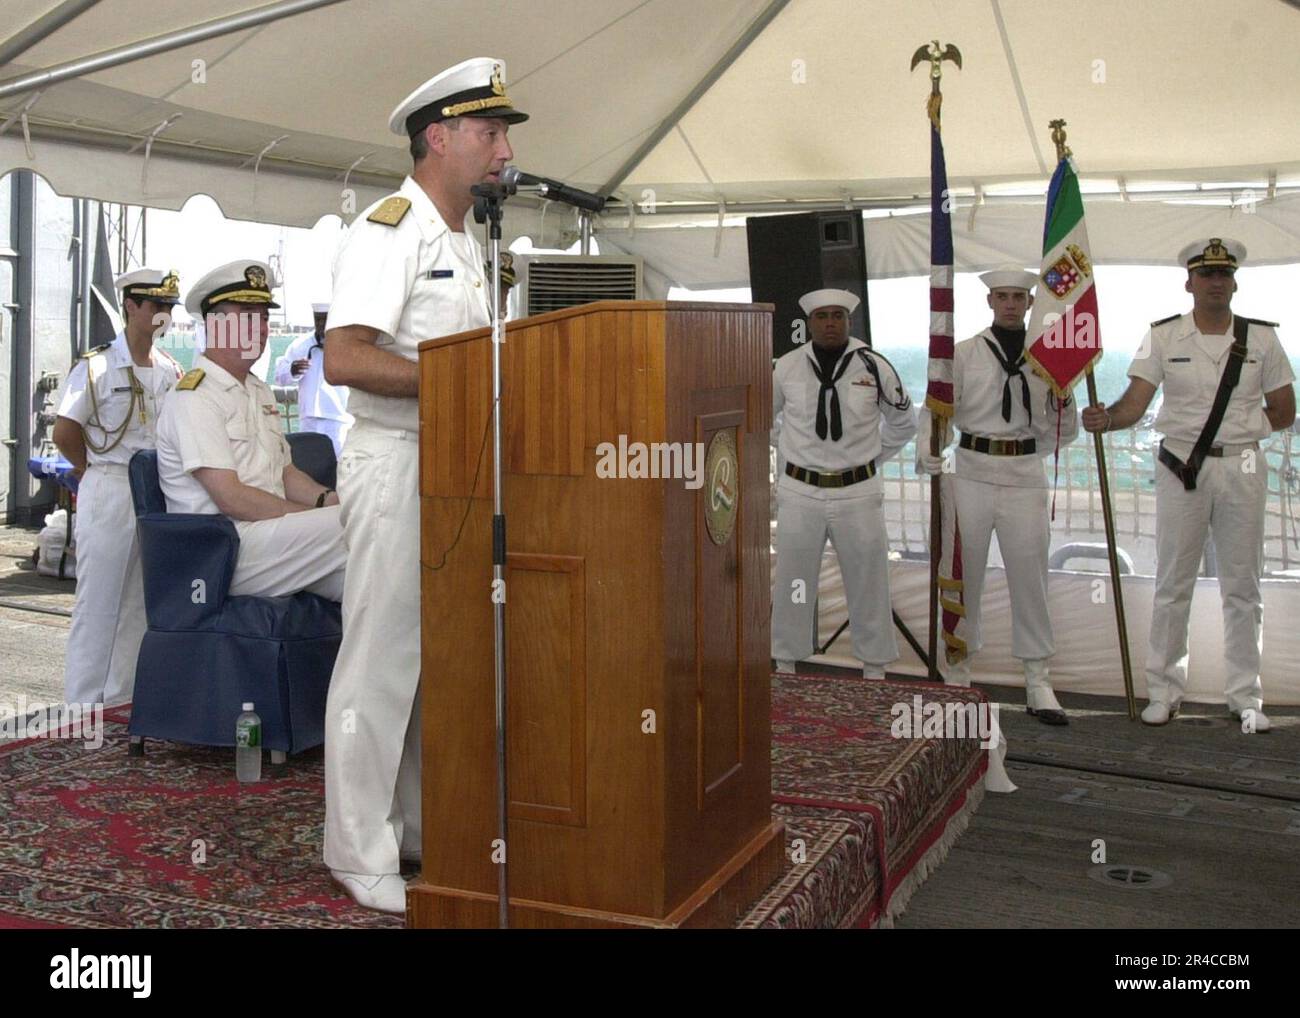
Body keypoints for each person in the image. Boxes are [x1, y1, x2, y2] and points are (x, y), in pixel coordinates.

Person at [321, 57, 526, 913]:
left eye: (504, 134)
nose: (504, 149)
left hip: (454, 473)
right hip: (395, 466)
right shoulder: (390, 228)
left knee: (435, 665)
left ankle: (411, 831)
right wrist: (461, 381)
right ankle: (356, 852)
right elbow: (347, 357)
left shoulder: (468, 243)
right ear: (437, 138)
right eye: (490, 133)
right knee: (379, 663)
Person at [1082, 238, 1295, 731]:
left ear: (1235, 282)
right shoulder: (1161, 337)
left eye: (1224, 274)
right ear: (1190, 282)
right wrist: (1104, 419)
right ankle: (1164, 691)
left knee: (1243, 587)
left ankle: (1245, 697)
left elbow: (1285, 412)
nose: (1216, 282)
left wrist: (1238, 431)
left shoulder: (1262, 340)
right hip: (1180, 468)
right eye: (1207, 275)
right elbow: (1133, 405)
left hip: (1241, 468)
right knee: (1172, 583)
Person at [917, 267, 1080, 724]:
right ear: (989, 302)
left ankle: (1037, 681)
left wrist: (1060, 409)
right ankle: (959, 673)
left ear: (1031, 304)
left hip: (1024, 473)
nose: (1010, 304)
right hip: (971, 470)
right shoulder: (965, 353)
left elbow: (1062, 431)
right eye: (1002, 296)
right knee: (964, 575)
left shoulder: (1048, 359)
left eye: (1018, 297)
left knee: (1031, 578)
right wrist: (928, 451)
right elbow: (938, 410)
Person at [155, 260, 346, 603]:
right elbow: (230, 497)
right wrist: (322, 518)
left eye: (263, 317)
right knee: (355, 529)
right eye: (246, 315)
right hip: (225, 549)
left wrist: (331, 500)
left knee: (378, 583)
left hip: (271, 541)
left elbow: (286, 474)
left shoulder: (258, 390)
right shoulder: (195, 396)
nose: (259, 328)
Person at [53, 269, 185, 706]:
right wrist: (87, 468)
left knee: (137, 607)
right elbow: (66, 430)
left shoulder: (170, 371)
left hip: (153, 492)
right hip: (109, 485)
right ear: (131, 306)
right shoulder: (97, 366)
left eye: (168, 307)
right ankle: (82, 707)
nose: (162, 315)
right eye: (155, 306)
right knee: (99, 605)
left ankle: (120, 703)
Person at [771, 288, 917, 679]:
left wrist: (868, 459)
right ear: (809, 323)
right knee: (794, 579)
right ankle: (786, 661)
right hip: (801, 490)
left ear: (849, 321)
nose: (831, 323)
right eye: (822, 317)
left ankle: (874, 668)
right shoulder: (786, 366)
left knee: (869, 580)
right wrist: (792, 449)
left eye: (838, 315)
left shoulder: (874, 365)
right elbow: (764, 419)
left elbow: (905, 423)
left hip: (858, 492)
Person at [273, 302, 353, 455]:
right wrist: (292, 370)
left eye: (325, 320)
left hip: (338, 419)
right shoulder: (300, 345)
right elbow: (279, 377)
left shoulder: (346, 345)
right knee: (310, 467)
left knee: (339, 469)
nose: (321, 324)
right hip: (308, 418)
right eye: (318, 320)